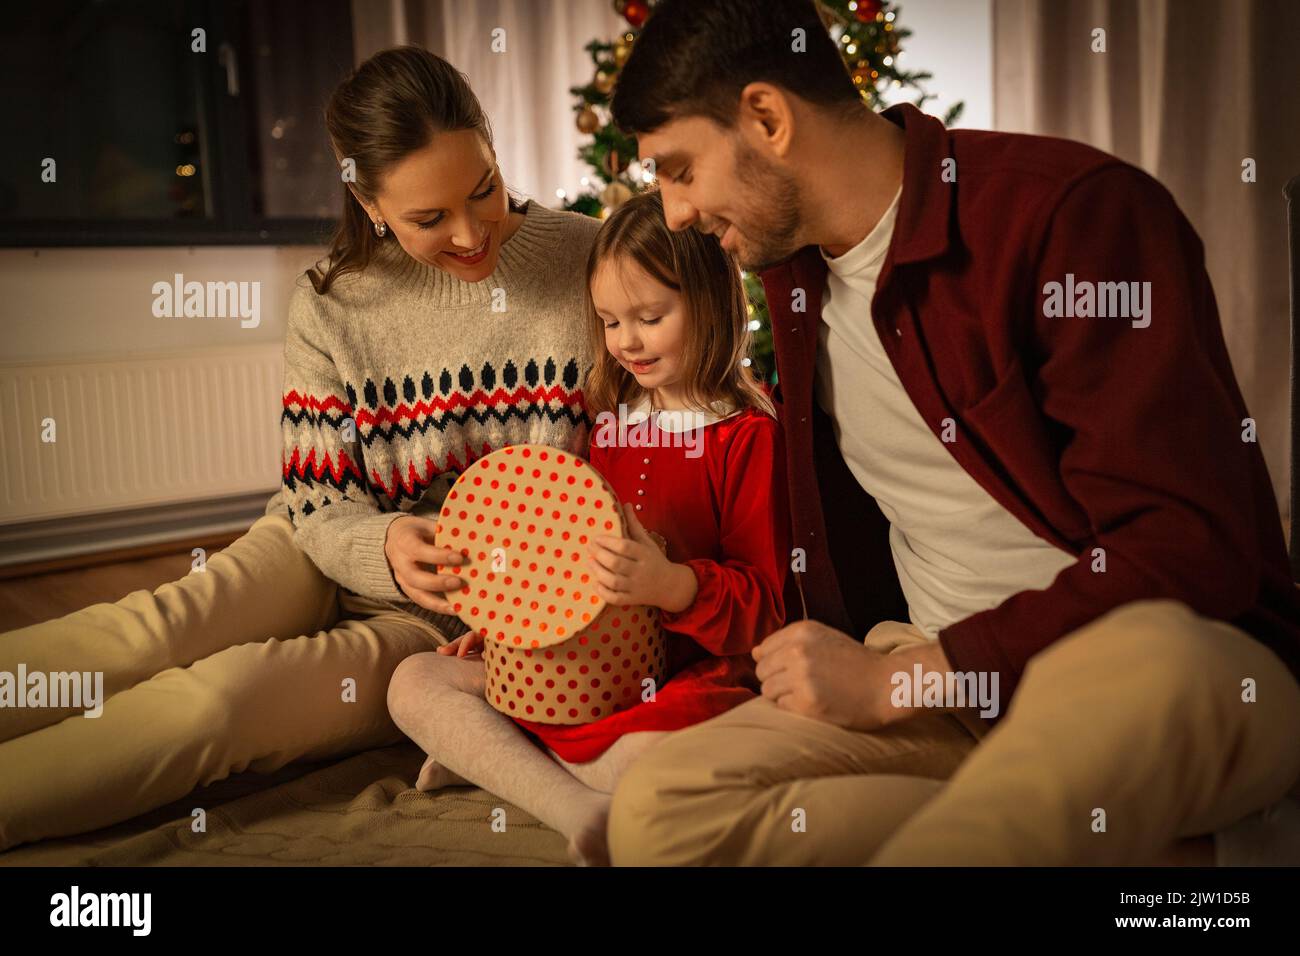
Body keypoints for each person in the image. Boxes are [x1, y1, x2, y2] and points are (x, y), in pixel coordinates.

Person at [602, 0, 1300, 866]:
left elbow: (1189, 555)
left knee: (1145, 667)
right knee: (656, 812)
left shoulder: (1068, 215)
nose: (673, 213)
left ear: (768, 118)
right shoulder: (792, 277)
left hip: (1159, 672)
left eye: (679, 170)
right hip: (940, 689)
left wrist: (906, 677)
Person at [0, 46, 599, 852]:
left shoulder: (591, 261)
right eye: (429, 219)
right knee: (153, 632)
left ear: (493, 151)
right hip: (320, 544)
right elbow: (318, 503)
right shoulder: (331, 302)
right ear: (368, 199)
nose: (469, 232)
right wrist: (383, 542)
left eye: (482, 189)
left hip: (448, 620)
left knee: (218, 704)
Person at [386, 189, 790, 865]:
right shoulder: (608, 420)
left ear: (714, 304)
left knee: (652, 762)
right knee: (413, 683)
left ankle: (504, 762)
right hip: (580, 666)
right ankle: (574, 805)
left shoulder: (747, 438)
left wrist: (675, 587)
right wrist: (506, 623)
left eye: (650, 317)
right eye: (608, 321)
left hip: (683, 684)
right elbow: (561, 552)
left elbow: (772, 611)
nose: (627, 341)